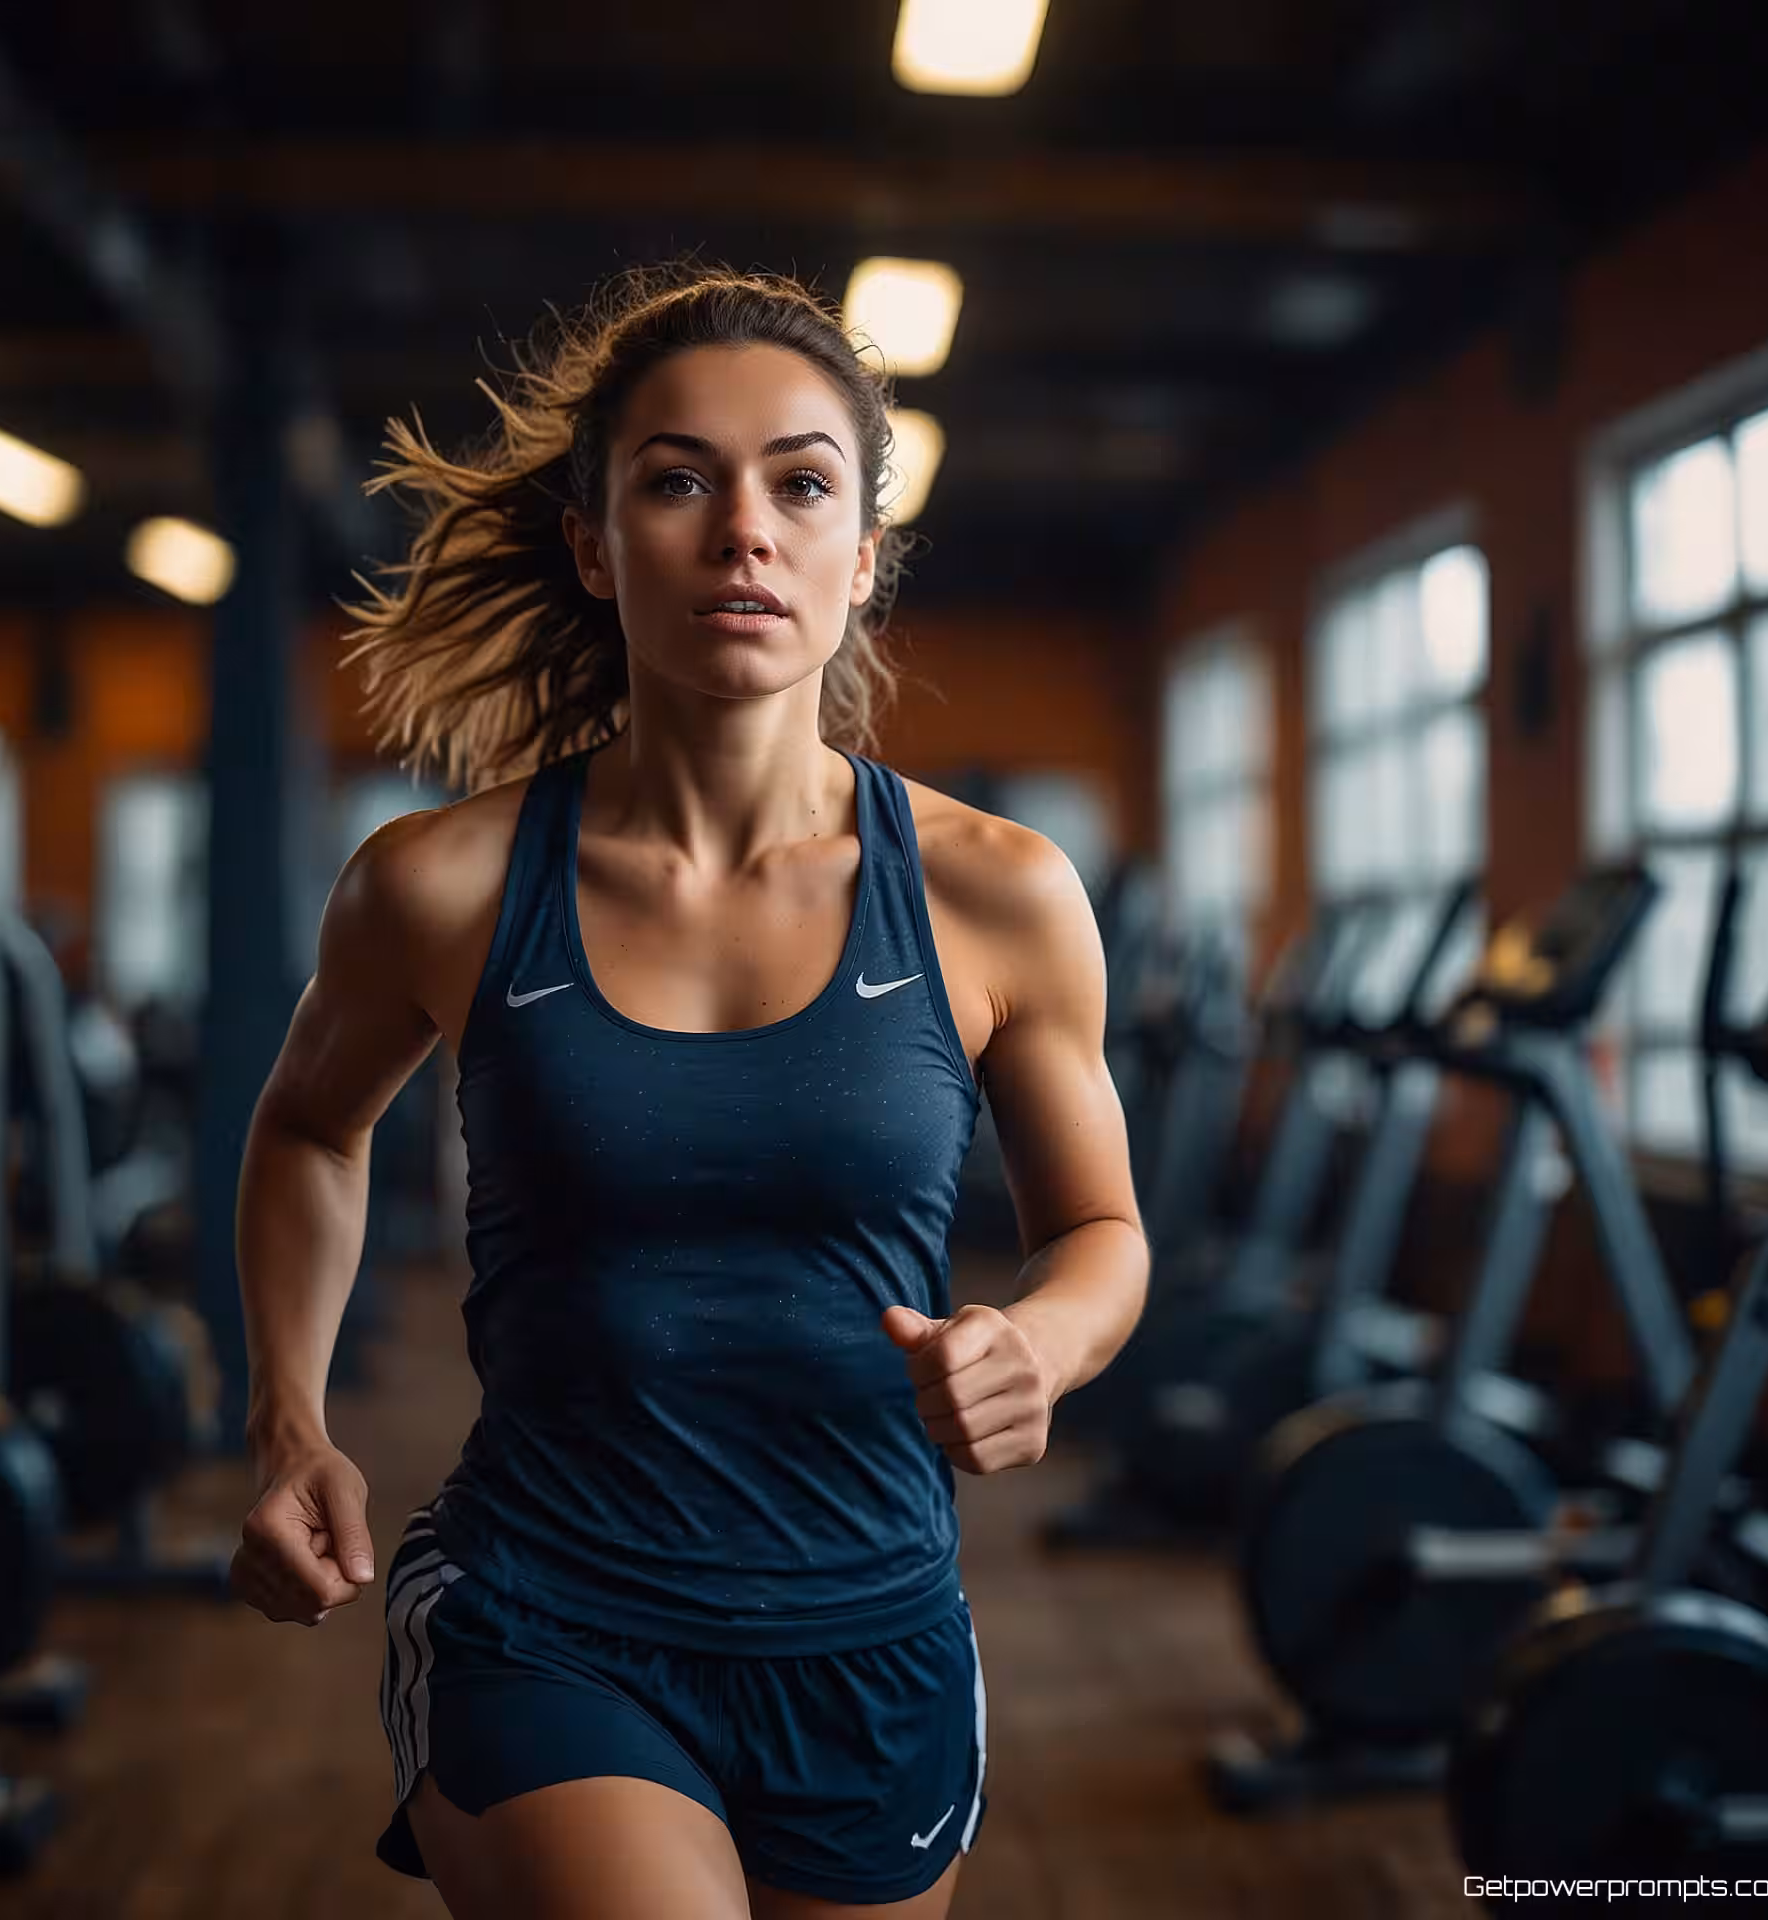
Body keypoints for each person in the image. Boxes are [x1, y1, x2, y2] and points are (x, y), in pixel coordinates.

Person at [227, 265, 1150, 1920]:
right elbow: (308, 1124)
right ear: (597, 544)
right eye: (678, 479)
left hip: (872, 1636)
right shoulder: (438, 886)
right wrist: (289, 1417)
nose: (745, 529)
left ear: (862, 557)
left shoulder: (998, 893)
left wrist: (1046, 1344)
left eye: (802, 483)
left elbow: (1101, 1230)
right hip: (546, 1608)